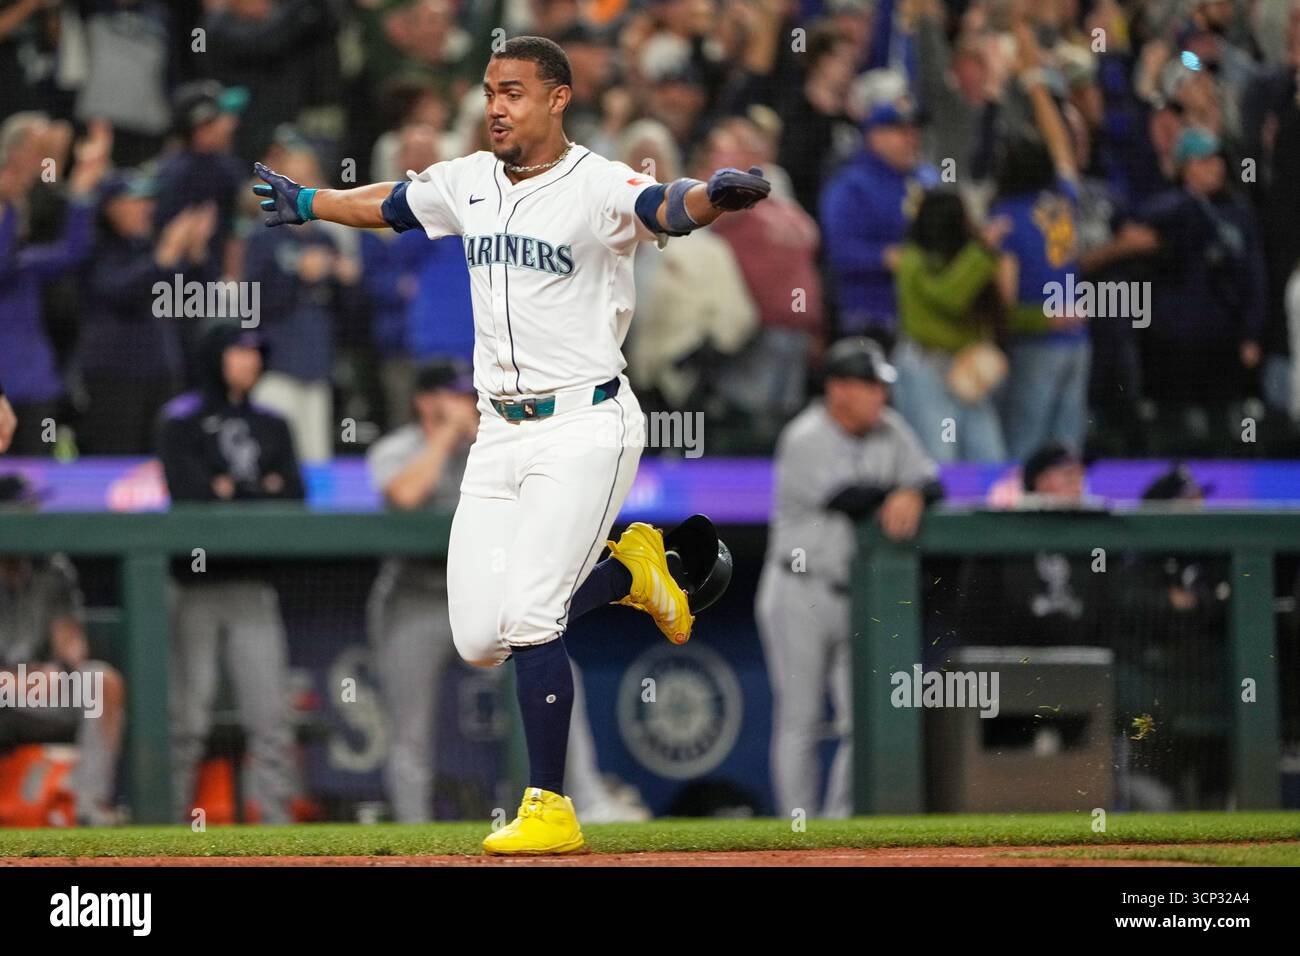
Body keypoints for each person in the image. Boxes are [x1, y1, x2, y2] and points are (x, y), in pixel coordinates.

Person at [252, 36, 759, 854]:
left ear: (558, 99)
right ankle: (632, 570)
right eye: (491, 89)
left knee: (530, 613)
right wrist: (311, 202)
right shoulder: (470, 181)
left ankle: (550, 809)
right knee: (480, 638)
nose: (496, 104)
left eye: (515, 90)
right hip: (497, 433)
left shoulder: (595, 180)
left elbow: (663, 205)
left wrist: (713, 197)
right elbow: (390, 206)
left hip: (586, 423)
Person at [755, 337, 943, 819]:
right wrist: (900, 491)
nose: (882, 396)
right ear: (838, 389)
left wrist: (915, 493)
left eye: (882, 386)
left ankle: (837, 828)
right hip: (798, 591)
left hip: (857, 598)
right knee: (801, 720)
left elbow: (933, 479)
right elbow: (850, 498)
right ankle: (797, 829)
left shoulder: (891, 430)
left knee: (863, 719)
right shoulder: (805, 435)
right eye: (871, 386)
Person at [157, 323, 303, 824]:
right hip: (194, 587)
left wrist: (232, 488)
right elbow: (190, 492)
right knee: (187, 720)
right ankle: (170, 828)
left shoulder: (274, 424)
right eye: (239, 353)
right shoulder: (180, 421)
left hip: (252, 586)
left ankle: (280, 833)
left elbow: (294, 497)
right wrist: (259, 487)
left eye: (255, 353)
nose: (251, 362)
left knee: (270, 720)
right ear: (216, 356)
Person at [78, 170, 212, 455]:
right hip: (115, 377)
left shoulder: (146, 248)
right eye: (136, 200)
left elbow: (191, 301)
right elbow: (117, 290)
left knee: (161, 462)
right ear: (111, 206)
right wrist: (164, 256)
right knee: (117, 461)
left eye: (148, 200)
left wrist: (195, 253)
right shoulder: (96, 248)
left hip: (161, 374)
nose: (146, 207)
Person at [0, 551, 125, 826]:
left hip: (37, 693)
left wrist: (59, 670)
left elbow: (71, 647)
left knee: (99, 680)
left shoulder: (53, 569)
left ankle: (88, 808)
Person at [890, 189, 1011, 461]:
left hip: (966, 370)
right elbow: (949, 297)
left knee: (989, 453)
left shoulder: (965, 259)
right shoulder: (912, 260)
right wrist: (982, 250)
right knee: (939, 454)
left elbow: (1000, 312)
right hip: (925, 366)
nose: (970, 223)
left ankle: (990, 504)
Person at [819, 86, 939, 344]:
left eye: (915, 129)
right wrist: (888, 258)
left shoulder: (928, 180)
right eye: (900, 130)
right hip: (871, 314)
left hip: (929, 316)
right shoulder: (851, 185)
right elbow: (840, 253)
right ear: (874, 135)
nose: (912, 137)